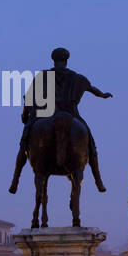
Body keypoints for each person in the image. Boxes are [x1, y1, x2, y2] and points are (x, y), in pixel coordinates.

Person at [9, 47, 111, 194]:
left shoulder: (42, 76)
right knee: (90, 144)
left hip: (45, 113)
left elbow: (29, 100)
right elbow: (93, 89)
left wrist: (24, 115)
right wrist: (103, 95)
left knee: (24, 144)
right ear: (66, 60)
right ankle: (99, 181)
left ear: (53, 59)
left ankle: (15, 181)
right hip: (72, 114)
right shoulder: (77, 77)